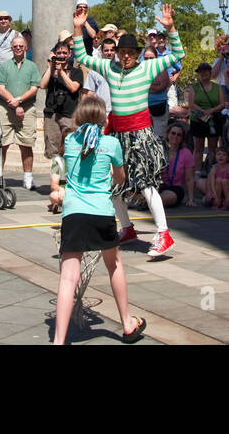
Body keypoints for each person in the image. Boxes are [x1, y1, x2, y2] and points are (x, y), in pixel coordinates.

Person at [73, 3, 179, 258]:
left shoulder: (147, 68)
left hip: (141, 134)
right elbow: (82, 58)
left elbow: (177, 55)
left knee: (145, 184)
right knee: (114, 188)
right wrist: (78, 29)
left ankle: (164, 233)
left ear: (137, 53)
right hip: (118, 136)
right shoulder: (110, 68)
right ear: (118, 53)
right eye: (123, 52)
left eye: (131, 52)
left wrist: (171, 28)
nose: (126, 56)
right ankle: (128, 228)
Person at [52, 96, 147, 345]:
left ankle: (59, 340)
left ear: (78, 118)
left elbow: (65, 165)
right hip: (101, 211)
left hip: (73, 212)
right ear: (104, 119)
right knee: (114, 264)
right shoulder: (111, 143)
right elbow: (119, 178)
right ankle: (127, 323)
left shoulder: (71, 140)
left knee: (68, 276)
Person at [0, 36, 41, 189]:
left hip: (26, 108)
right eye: (15, 46)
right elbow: (0, 88)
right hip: (5, 108)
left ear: (25, 48)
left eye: (21, 46)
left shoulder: (32, 66)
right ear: (11, 48)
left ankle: (27, 177)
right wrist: (14, 103)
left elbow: (34, 88)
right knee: (3, 144)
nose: (18, 48)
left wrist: (19, 101)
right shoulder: (5, 66)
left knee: (26, 144)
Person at [40, 41, 81, 187]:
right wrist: (50, 68)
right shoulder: (51, 70)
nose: (62, 56)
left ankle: (71, 182)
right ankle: (57, 184)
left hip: (69, 115)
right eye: (59, 53)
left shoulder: (76, 71)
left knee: (71, 150)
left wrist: (62, 71)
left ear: (70, 55)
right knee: (54, 152)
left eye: (64, 53)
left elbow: (73, 88)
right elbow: (42, 85)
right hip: (52, 115)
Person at [188, 61, 225, 170]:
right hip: (198, 119)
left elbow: (223, 103)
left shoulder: (217, 87)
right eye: (201, 72)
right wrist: (204, 113)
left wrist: (211, 111)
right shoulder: (194, 87)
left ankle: (211, 170)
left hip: (213, 119)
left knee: (212, 148)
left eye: (206, 71)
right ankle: (197, 171)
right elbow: (191, 104)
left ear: (210, 73)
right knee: (198, 148)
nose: (203, 73)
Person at [160, 122, 196, 207]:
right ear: (168, 134)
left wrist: (191, 199)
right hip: (160, 186)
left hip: (176, 189)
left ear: (182, 138)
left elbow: (189, 178)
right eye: (173, 133)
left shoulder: (186, 153)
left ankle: (145, 203)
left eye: (179, 135)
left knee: (166, 197)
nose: (175, 136)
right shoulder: (160, 149)